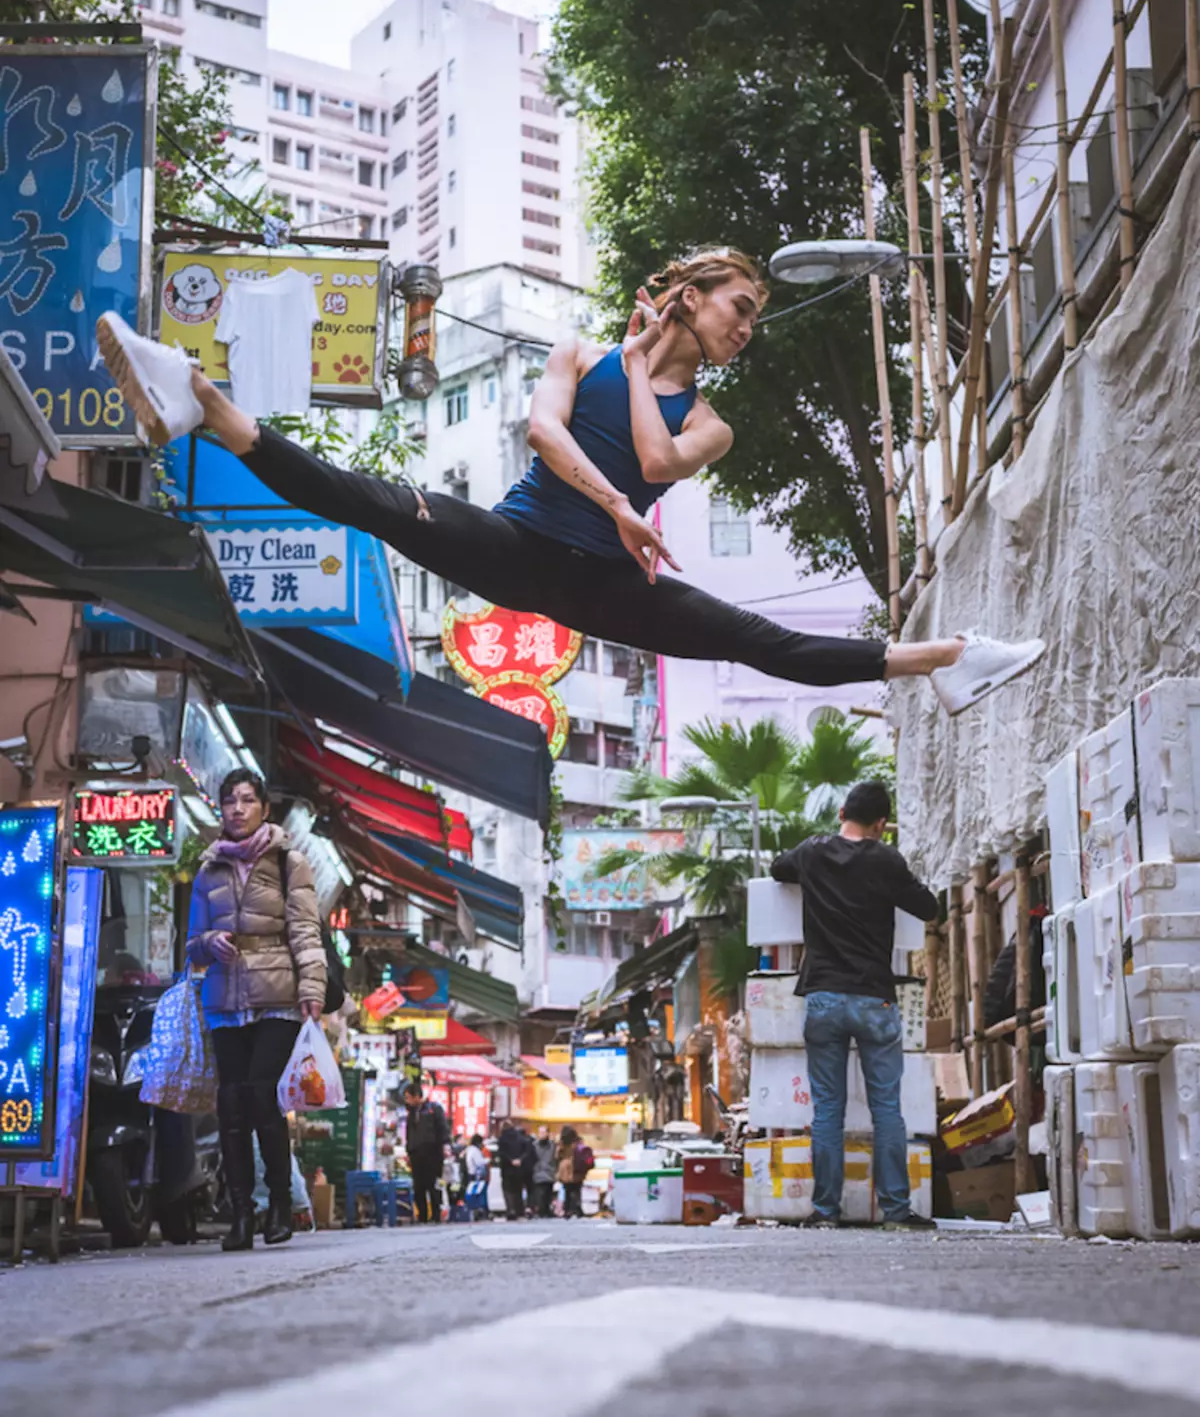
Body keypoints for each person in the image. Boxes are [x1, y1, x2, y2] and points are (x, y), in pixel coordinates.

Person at [96, 252, 1043, 713]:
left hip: (604, 584)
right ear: (693, 294)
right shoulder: (574, 349)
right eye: (741, 307)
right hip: (517, 547)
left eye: (753, 318)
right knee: (372, 501)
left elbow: (663, 460)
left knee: (763, 642)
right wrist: (619, 502)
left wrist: (639, 380)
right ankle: (203, 404)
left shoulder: (710, 419)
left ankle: (952, 661)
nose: (748, 327)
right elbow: (544, 434)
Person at [770, 780, 941, 1230]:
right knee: (886, 1107)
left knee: (828, 1109)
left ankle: (825, 1211)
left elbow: (775, 869)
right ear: (881, 824)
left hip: (823, 996)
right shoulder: (886, 860)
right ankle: (896, 1212)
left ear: (842, 809)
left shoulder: (812, 851)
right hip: (873, 998)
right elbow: (929, 908)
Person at [185, 770, 325, 1252]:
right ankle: (241, 1214)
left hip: (277, 998)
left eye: (247, 800)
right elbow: (192, 946)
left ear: (265, 807)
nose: (238, 809)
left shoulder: (290, 862)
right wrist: (208, 942)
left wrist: (312, 990)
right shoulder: (208, 871)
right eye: (230, 801)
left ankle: (280, 1205)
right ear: (220, 809)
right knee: (231, 1105)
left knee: (262, 1095)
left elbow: (306, 932)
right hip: (225, 999)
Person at [403, 1082, 450, 1224]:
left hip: (433, 1153)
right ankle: (422, 1216)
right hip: (416, 1154)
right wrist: (409, 1151)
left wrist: (445, 1146)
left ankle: (436, 1215)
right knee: (418, 1186)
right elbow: (409, 1133)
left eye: (409, 1097)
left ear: (417, 1096)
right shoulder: (411, 1113)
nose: (407, 1101)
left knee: (433, 1185)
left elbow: (443, 1128)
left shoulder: (433, 1109)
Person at [557, 1126, 593, 1218]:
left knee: (568, 1191)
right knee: (576, 1190)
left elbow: (557, 1156)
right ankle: (576, 1209)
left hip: (566, 1172)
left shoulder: (562, 1145)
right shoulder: (577, 1144)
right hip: (575, 1171)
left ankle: (568, 1209)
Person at [497, 1120, 528, 1221]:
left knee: (507, 1190)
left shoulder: (502, 1139)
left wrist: (510, 1160)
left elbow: (501, 1154)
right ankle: (519, 1210)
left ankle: (511, 1210)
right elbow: (527, 1151)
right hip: (519, 1169)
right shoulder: (520, 1138)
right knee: (518, 1190)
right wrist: (519, 1160)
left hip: (507, 1169)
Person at [530, 1124, 558, 1218]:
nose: (542, 1134)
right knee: (540, 1193)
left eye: (543, 1132)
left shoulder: (553, 1145)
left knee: (548, 1192)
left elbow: (555, 1158)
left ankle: (546, 1209)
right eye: (540, 1132)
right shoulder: (534, 1145)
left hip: (549, 1172)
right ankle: (542, 1210)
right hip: (539, 1172)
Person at [464, 1132, 490, 1221]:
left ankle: (476, 1212)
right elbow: (479, 1162)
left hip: (472, 1174)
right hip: (477, 1176)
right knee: (479, 1195)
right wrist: (487, 1160)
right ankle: (480, 1213)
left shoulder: (469, 1150)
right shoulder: (475, 1150)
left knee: (474, 1195)